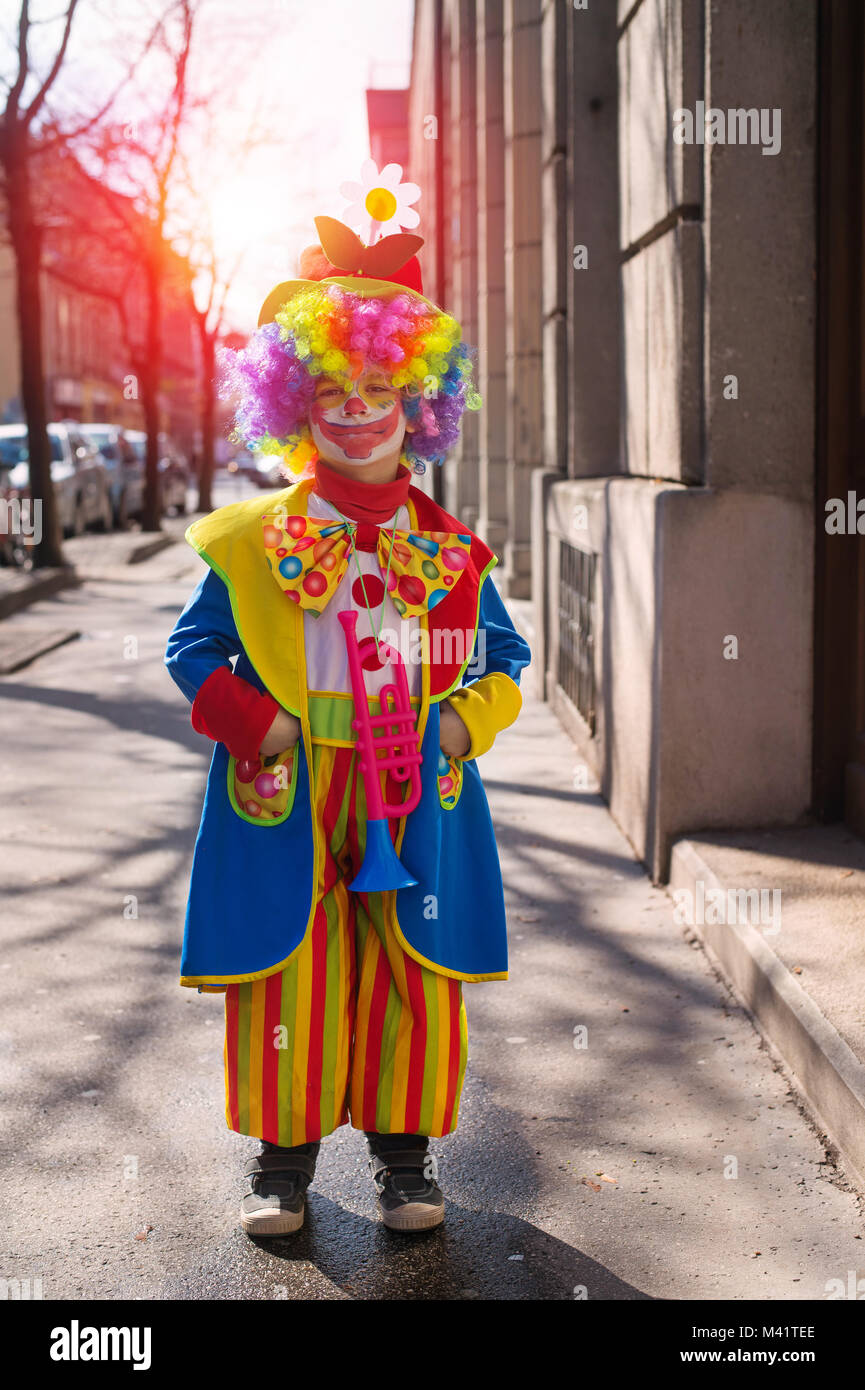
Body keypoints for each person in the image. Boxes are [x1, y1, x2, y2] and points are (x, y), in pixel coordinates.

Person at [164, 167, 531, 1235]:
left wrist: (462, 721)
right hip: (291, 779)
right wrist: (260, 723)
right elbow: (193, 648)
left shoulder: (450, 548)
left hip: (413, 777)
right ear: (299, 406)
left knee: (409, 967)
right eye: (335, 395)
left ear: (417, 407)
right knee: (292, 972)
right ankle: (282, 1168)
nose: (359, 413)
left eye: (380, 394)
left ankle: (406, 1161)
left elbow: (498, 655)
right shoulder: (250, 540)